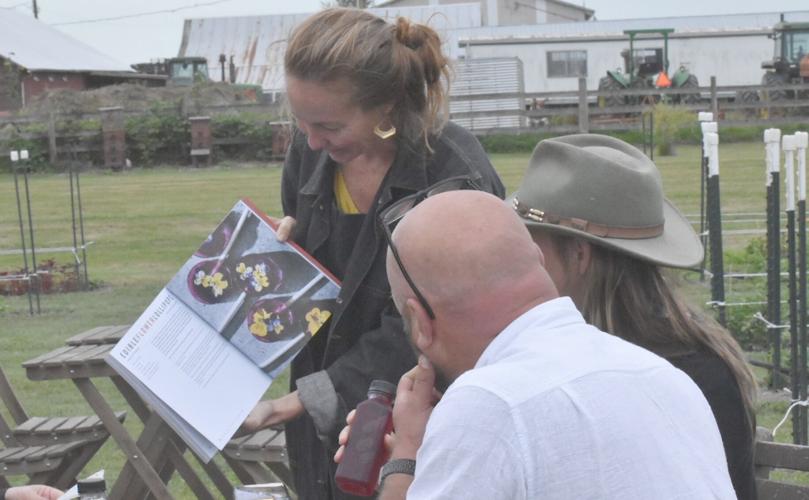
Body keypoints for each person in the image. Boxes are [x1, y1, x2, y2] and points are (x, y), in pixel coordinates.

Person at [240, 7, 505, 499]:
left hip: (422, 427)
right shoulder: (311, 152)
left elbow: (431, 325)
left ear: (385, 107)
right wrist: (285, 252)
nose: (311, 141)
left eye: (329, 126)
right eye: (300, 122)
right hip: (322, 428)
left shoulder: (452, 176)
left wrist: (292, 403)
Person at [338, 189, 736, 499]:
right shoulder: (661, 375)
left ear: (421, 324)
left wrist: (407, 457)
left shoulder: (487, 402)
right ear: (538, 263)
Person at [509, 134, 758, 499]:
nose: (523, 259)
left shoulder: (685, 377)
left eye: (533, 244)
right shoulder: (696, 360)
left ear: (579, 255)